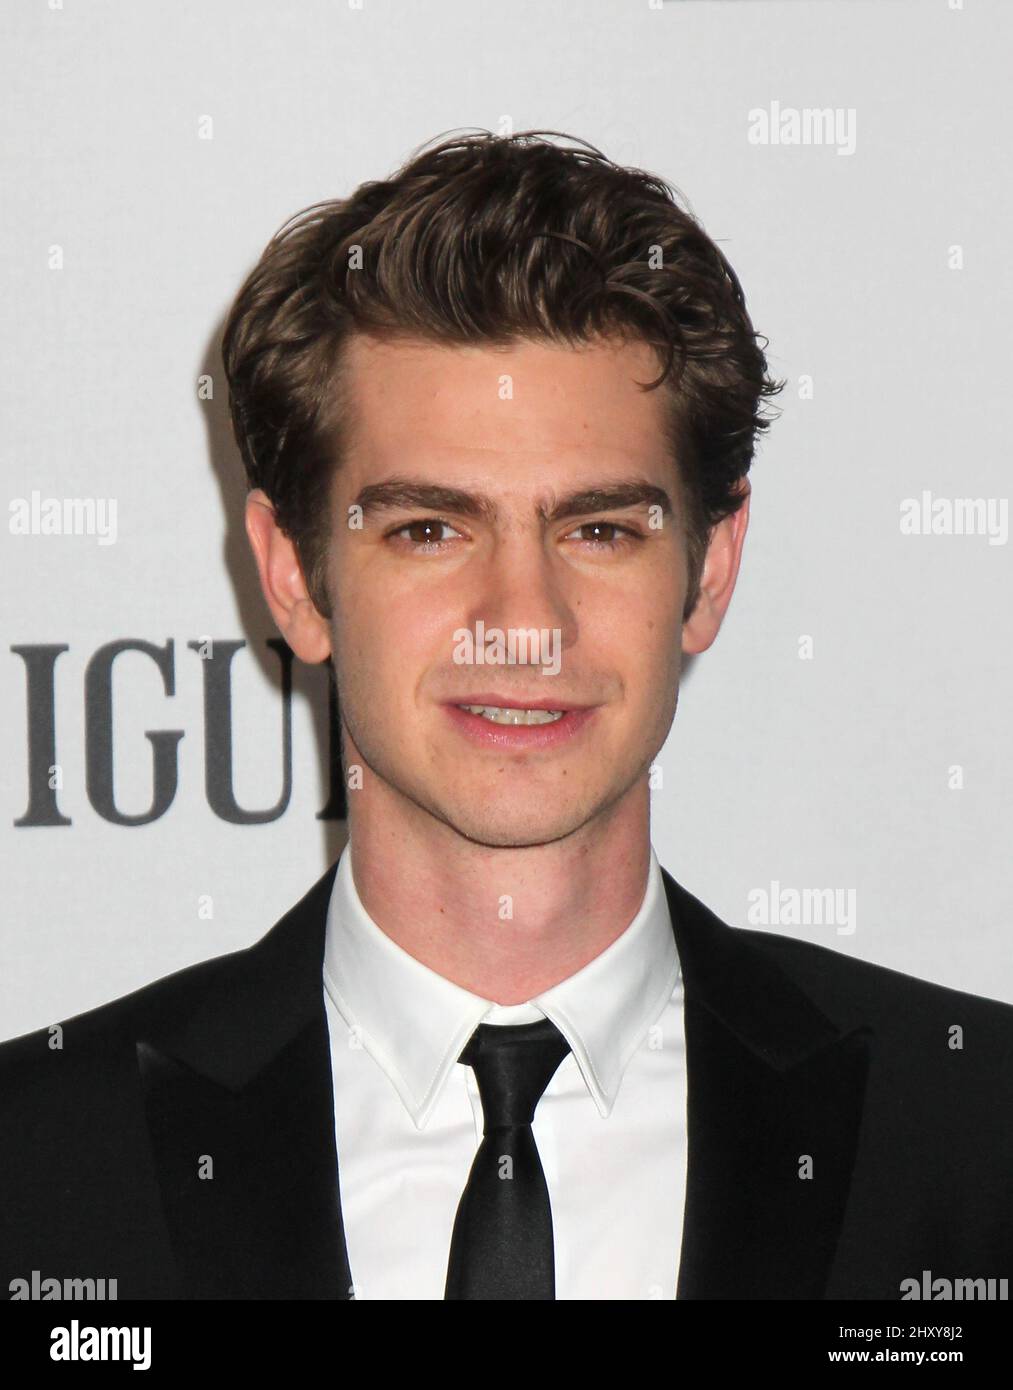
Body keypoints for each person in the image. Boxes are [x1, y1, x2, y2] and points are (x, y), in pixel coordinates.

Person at [2, 130, 1012, 1302]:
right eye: (429, 529)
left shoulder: (971, 1136)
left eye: (597, 529)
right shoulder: (40, 1166)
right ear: (292, 576)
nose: (522, 622)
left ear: (711, 567)